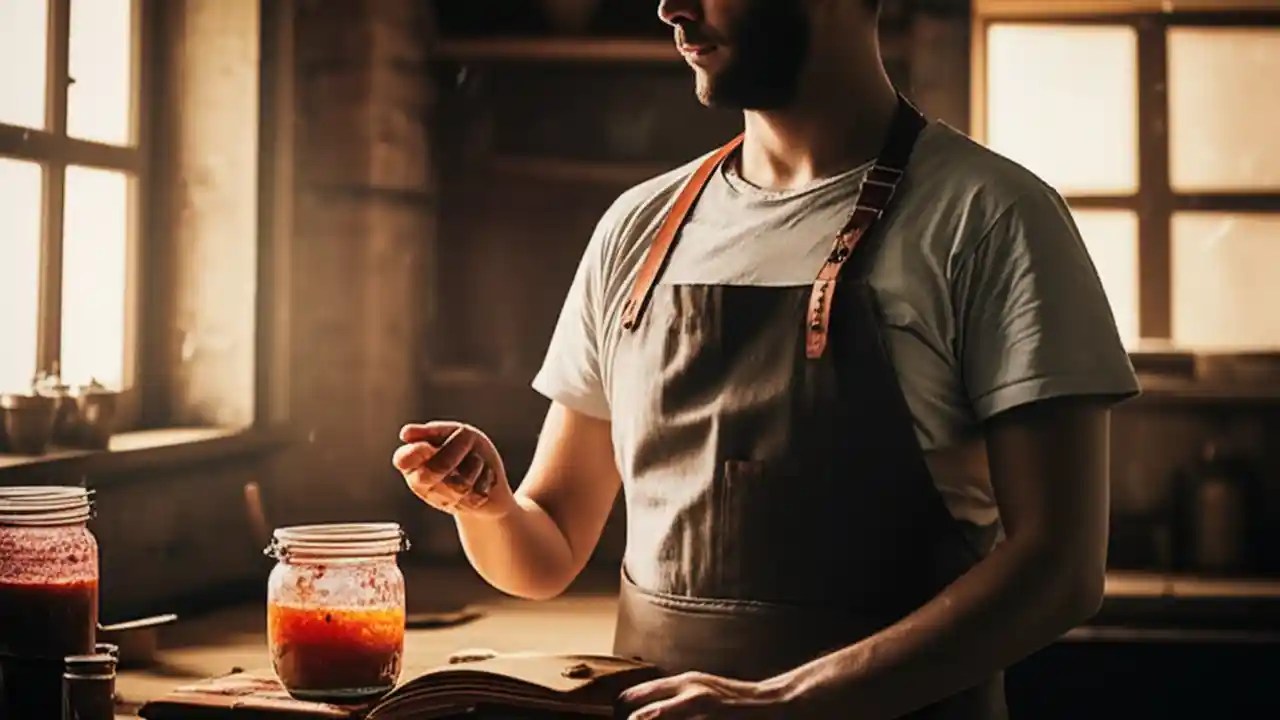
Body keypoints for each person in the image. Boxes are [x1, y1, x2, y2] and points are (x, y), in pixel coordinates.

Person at [392, 0, 1141, 717]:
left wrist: (790, 703)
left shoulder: (991, 217)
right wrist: (486, 506)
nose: (670, 7)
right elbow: (546, 553)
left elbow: (1060, 570)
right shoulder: (638, 229)